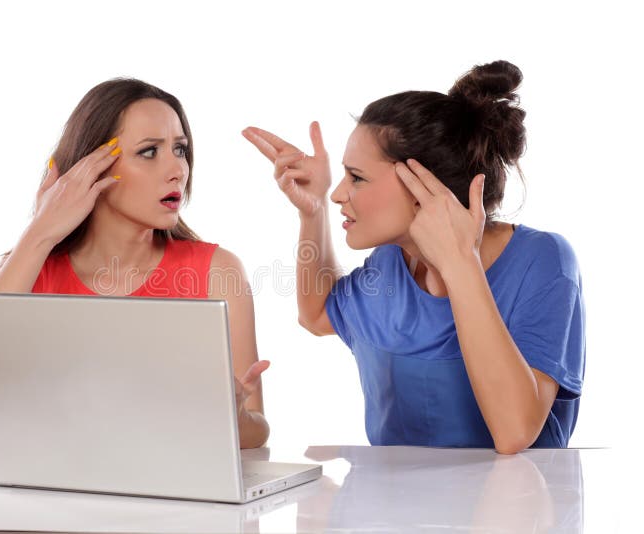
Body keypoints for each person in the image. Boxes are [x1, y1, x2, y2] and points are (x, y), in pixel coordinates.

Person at [242, 60, 585, 454]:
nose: (339, 193)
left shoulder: (543, 261)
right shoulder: (390, 262)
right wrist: (313, 210)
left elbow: (514, 433)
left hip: (512, 508)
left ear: (426, 186)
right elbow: (317, 315)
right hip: (392, 510)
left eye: (357, 177)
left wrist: (459, 263)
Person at [0, 78, 270, 448]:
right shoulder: (29, 268)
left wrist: (232, 414)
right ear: (92, 167)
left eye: (180, 150)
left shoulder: (217, 271)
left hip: (175, 498)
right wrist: (40, 231)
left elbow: (256, 432)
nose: (177, 170)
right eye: (149, 152)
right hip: (52, 498)